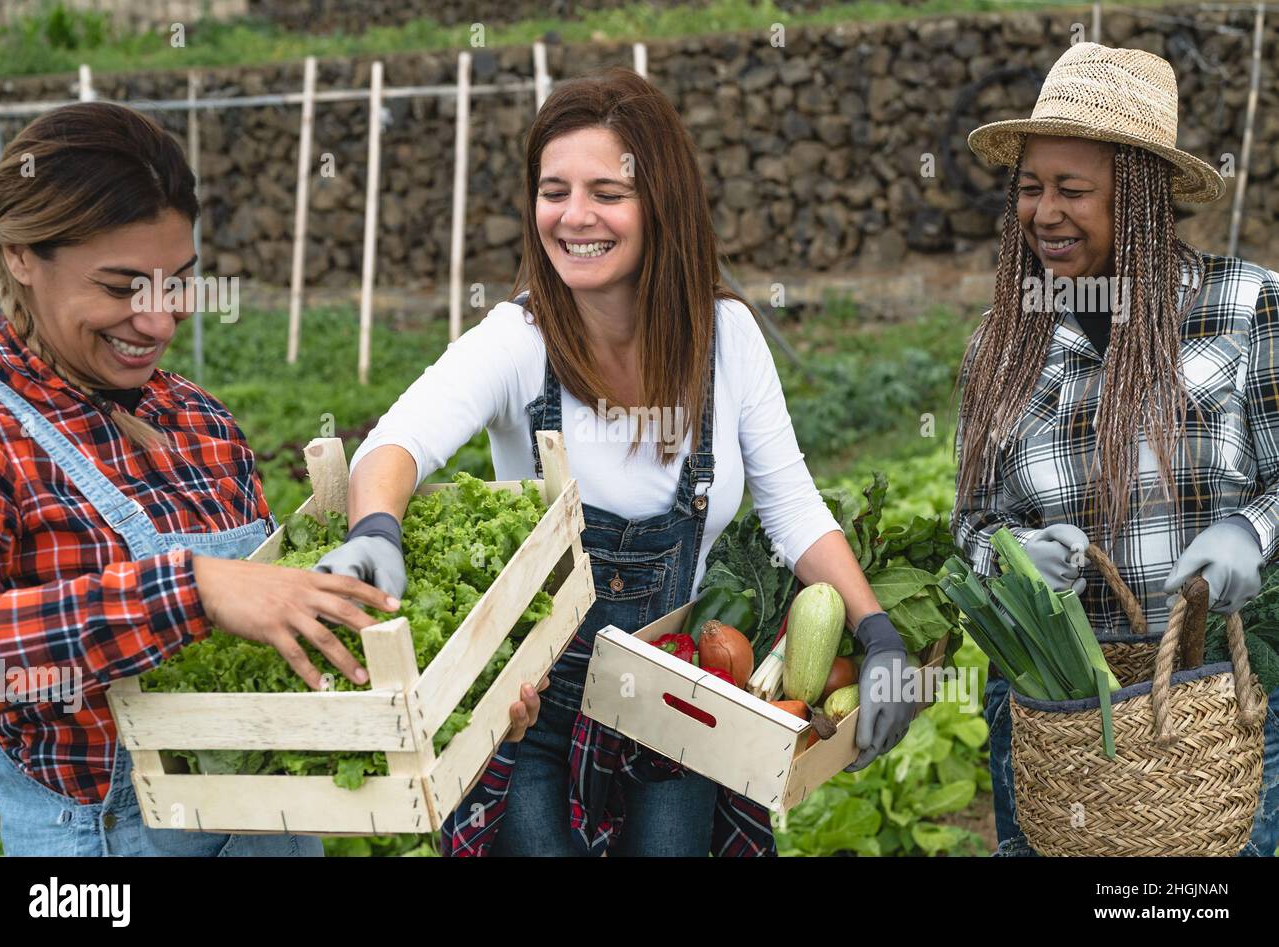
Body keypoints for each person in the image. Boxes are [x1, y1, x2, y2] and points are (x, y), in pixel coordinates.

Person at [315, 68, 917, 856]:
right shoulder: (518, 343)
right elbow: (396, 443)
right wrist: (378, 527)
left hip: (679, 709)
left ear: (660, 202)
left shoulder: (727, 340)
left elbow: (793, 506)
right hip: (530, 712)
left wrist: (877, 633)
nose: (574, 217)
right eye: (552, 189)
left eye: (607, 191)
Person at [0, 102, 436, 856]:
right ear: (25, 255)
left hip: (275, 823)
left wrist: (433, 702)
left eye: (178, 282)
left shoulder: (200, 419)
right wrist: (190, 590)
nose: (159, 321)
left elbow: (279, 644)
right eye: (123, 287)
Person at [954, 42, 1279, 856]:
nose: (1043, 212)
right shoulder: (1002, 342)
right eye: (1029, 188)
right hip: (1055, 722)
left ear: (1137, 196)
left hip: (1213, 715)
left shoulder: (1244, 306)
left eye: (1072, 189)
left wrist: (1249, 530)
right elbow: (970, 524)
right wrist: (1012, 552)